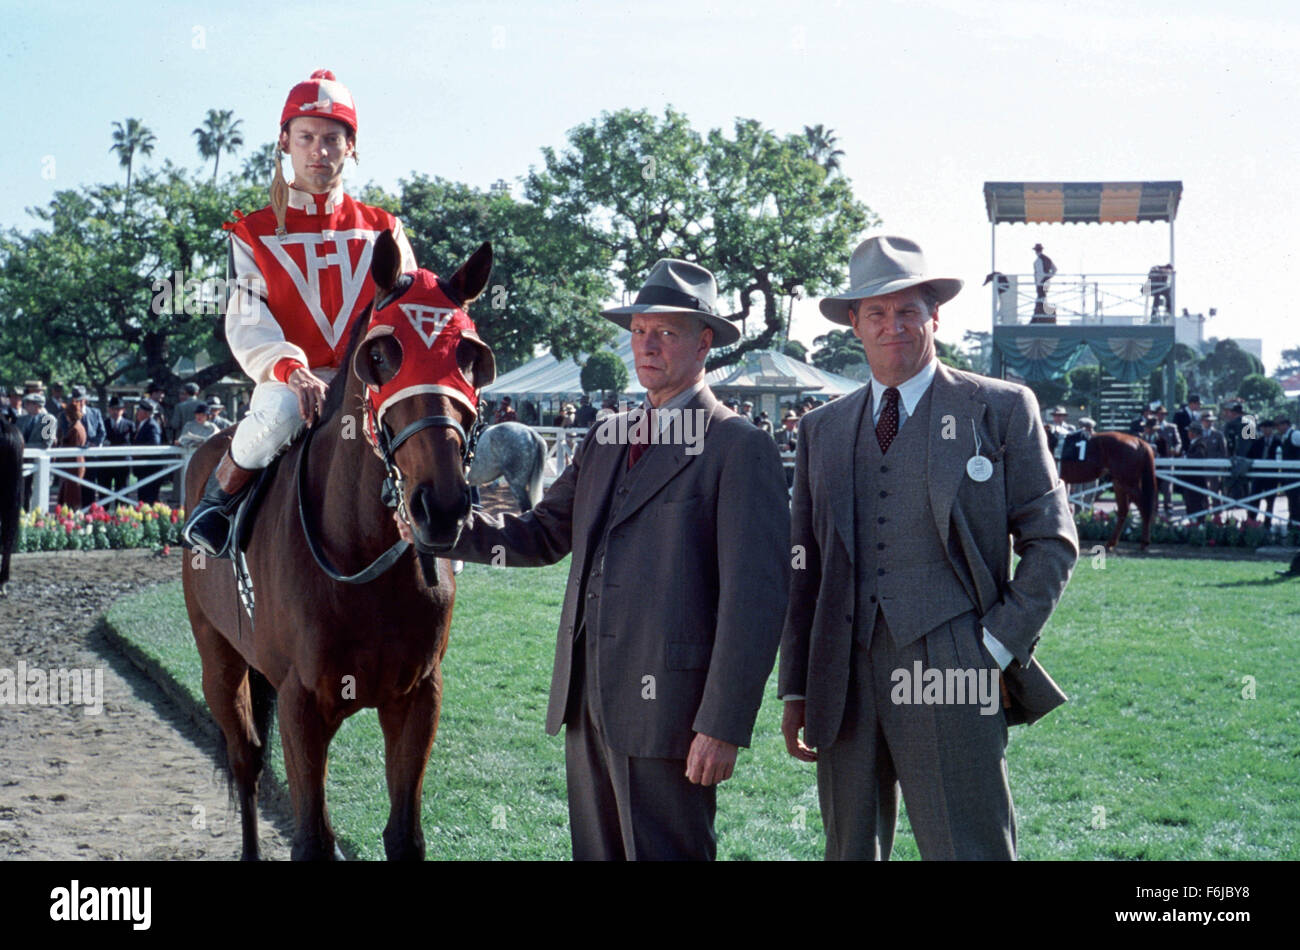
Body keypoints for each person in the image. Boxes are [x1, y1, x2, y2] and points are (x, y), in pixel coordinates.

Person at [429, 259, 791, 860]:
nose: (647, 346)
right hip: (587, 699)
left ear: (705, 343)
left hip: (673, 712)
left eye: (667, 333)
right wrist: (445, 531)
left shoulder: (738, 446)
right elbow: (543, 534)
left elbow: (756, 601)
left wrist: (724, 722)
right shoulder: (608, 435)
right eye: (639, 330)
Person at [780, 235, 1077, 861]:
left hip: (955, 663)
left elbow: (1052, 541)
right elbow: (802, 565)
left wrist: (993, 646)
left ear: (934, 317)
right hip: (843, 671)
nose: (894, 325)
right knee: (848, 850)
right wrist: (797, 686)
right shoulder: (821, 429)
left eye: (908, 310)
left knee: (969, 848)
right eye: (877, 313)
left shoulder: (998, 408)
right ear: (854, 325)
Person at [183, 69, 417, 557]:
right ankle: (217, 502)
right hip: (291, 380)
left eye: (333, 138)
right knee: (282, 414)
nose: (320, 151)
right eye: (307, 137)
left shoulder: (384, 228)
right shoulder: (251, 230)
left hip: (372, 381)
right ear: (284, 143)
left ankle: (446, 525)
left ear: (351, 147)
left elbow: (409, 311)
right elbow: (247, 316)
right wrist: (292, 371)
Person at [18, 393, 57, 511]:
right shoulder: (21, 419)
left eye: (28, 404)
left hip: (40, 462)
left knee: (40, 491)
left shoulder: (48, 420)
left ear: (36, 405)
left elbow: (46, 443)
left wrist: (24, 447)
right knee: (22, 491)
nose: (25, 406)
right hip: (22, 461)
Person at [57, 397, 88, 509]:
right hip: (73, 465)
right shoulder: (76, 427)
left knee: (71, 497)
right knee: (69, 495)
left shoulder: (75, 429)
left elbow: (72, 448)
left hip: (73, 465)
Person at [102, 395, 135, 501]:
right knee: (104, 492)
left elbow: (133, 442)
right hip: (106, 463)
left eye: (118, 409)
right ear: (108, 410)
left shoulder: (130, 425)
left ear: (123, 410)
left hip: (123, 462)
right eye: (113, 409)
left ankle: (122, 516)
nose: (115, 412)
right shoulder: (103, 423)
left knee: (123, 492)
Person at [131, 398, 163, 504]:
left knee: (149, 500)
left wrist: (138, 454)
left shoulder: (152, 425)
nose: (137, 413)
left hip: (150, 470)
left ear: (146, 413)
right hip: (144, 470)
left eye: (139, 410)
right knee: (143, 498)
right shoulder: (143, 424)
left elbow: (154, 445)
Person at [1154, 405, 1182, 515]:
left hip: (1168, 461)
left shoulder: (1172, 427)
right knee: (1153, 486)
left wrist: (1175, 450)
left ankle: (1168, 508)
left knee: (1168, 487)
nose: (1161, 416)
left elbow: (1178, 442)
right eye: (1159, 414)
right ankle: (1154, 509)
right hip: (1154, 462)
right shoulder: (1151, 427)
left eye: (1163, 414)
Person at [1275, 417, 1300, 529]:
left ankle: (1295, 523)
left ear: (1286, 424)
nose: (1278, 428)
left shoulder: (1295, 435)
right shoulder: (1285, 437)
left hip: (1296, 474)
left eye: (1279, 425)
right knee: (1292, 500)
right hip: (1290, 475)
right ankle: (1293, 523)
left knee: (1296, 499)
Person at [1031, 243, 1056, 320]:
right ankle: (1043, 312)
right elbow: (1054, 269)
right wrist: (1048, 276)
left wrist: (1039, 283)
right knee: (1043, 297)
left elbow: (1039, 273)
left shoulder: (1038, 261)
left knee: (1041, 297)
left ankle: (1040, 314)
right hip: (1046, 281)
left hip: (1041, 282)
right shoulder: (1047, 259)